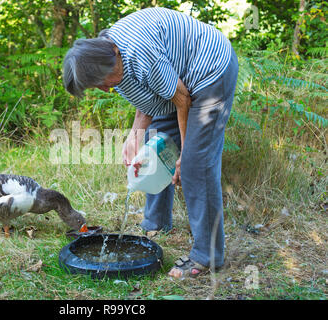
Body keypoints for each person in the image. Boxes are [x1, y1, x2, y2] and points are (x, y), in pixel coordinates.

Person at [62, 7, 238, 279]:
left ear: (113, 61)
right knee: (151, 150)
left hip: (209, 72)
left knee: (195, 165)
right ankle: (156, 223)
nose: (104, 90)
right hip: (178, 84)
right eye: (96, 87)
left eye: (101, 83)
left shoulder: (140, 54)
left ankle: (208, 256)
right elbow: (146, 101)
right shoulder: (108, 54)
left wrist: (183, 155)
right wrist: (134, 137)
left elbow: (182, 99)